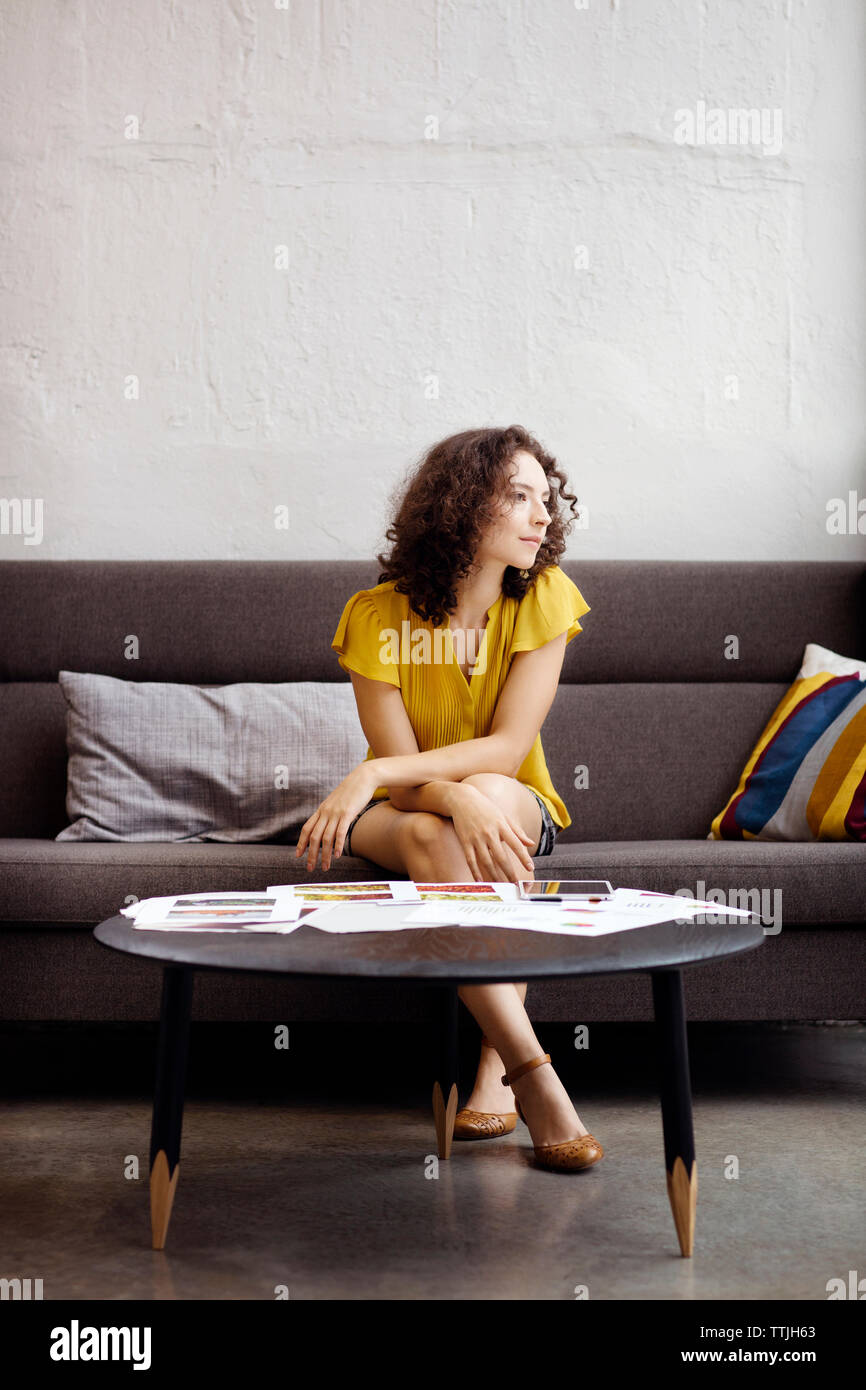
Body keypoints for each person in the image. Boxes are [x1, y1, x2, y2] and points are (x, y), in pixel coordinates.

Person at [295, 425, 603, 1172]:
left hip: (506, 801)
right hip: (404, 811)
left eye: (545, 499)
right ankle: (536, 1076)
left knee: (491, 793)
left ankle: (499, 1073)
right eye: (518, 497)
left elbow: (506, 749)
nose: (542, 516)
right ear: (464, 508)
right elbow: (399, 769)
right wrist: (413, 789)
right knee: (439, 831)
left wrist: (402, 783)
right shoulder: (375, 617)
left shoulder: (545, 599)